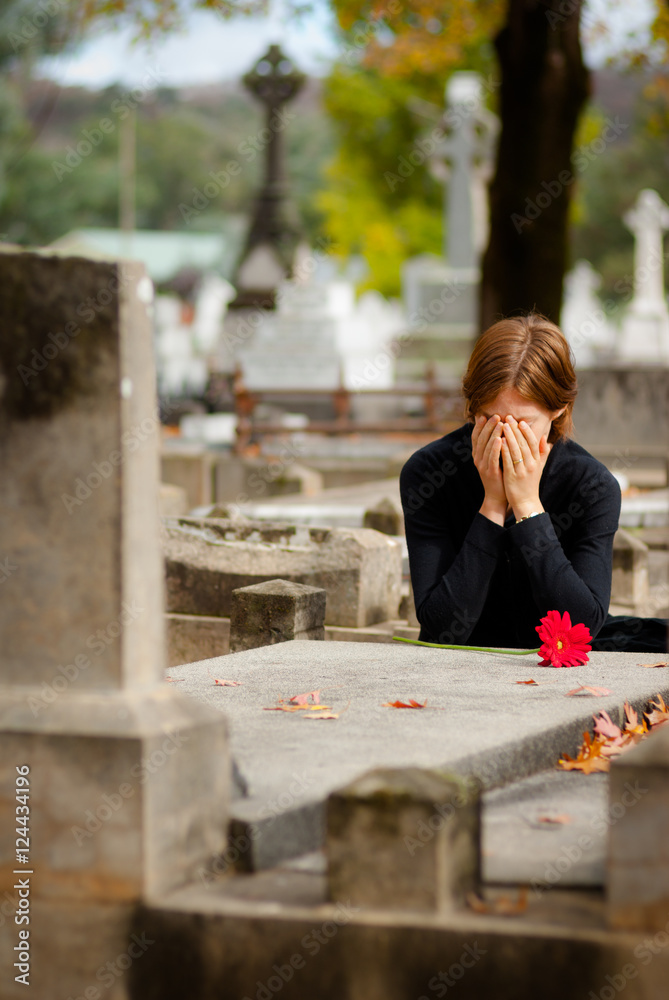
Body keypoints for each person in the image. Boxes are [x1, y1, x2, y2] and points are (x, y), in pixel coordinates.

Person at [400, 313, 667, 653]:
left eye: (523, 423)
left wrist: (528, 507)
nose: (505, 436)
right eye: (489, 419)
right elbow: (440, 629)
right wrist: (492, 506)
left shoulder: (591, 485)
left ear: (558, 408)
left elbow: (582, 627)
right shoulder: (429, 473)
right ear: (471, 408)